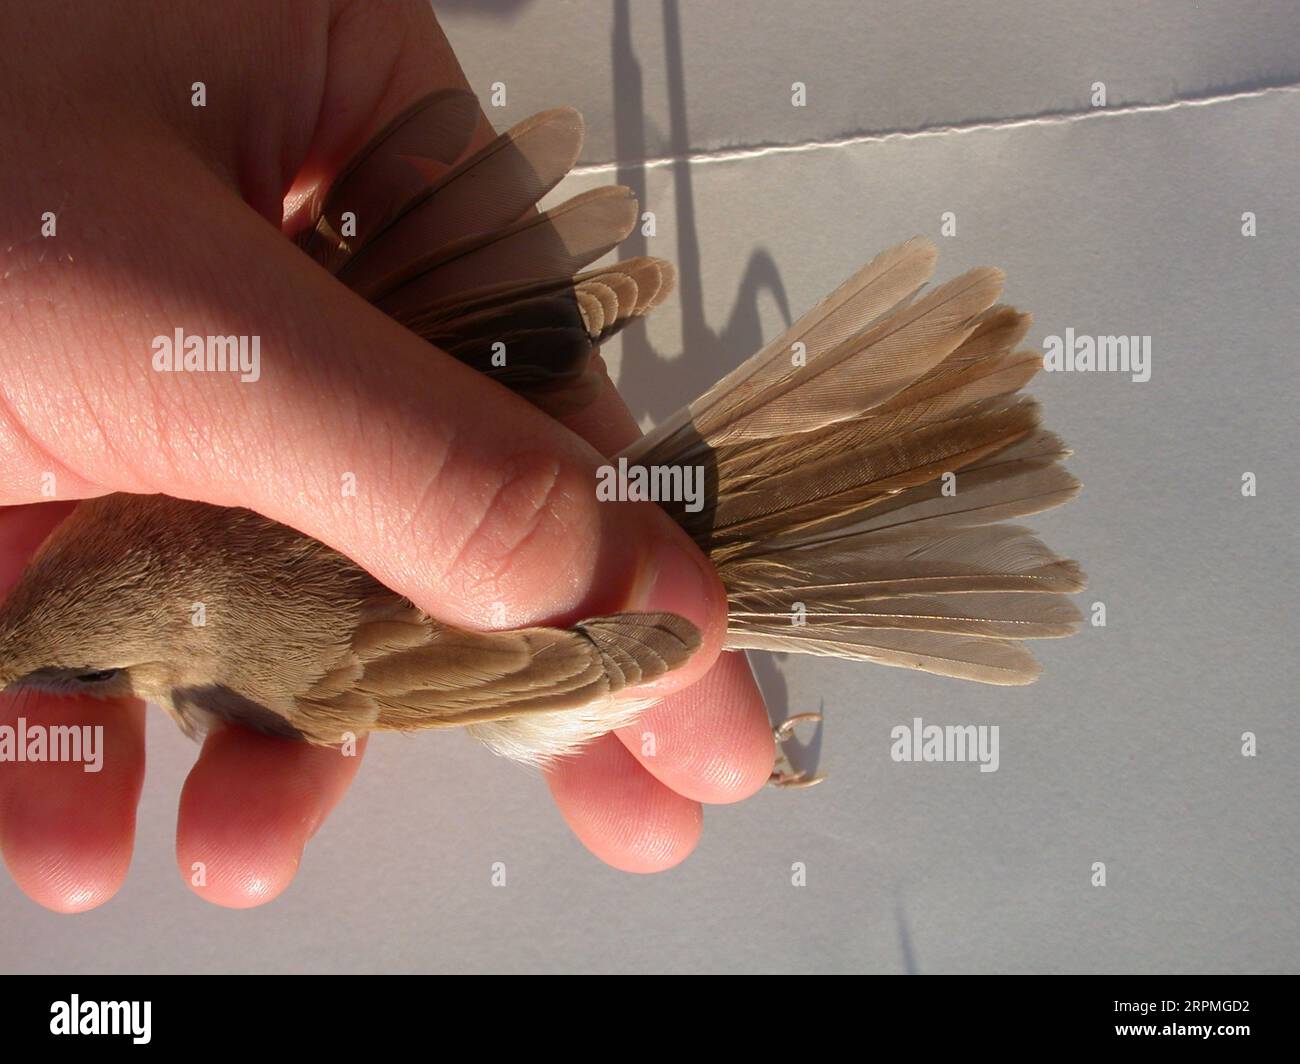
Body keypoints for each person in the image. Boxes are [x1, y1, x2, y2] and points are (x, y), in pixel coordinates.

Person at [0, 0, 773, 911]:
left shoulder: (265, 663)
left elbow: (496, 671)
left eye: (98, 673)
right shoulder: (190, 463)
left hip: (543, 635)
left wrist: (572, 613)